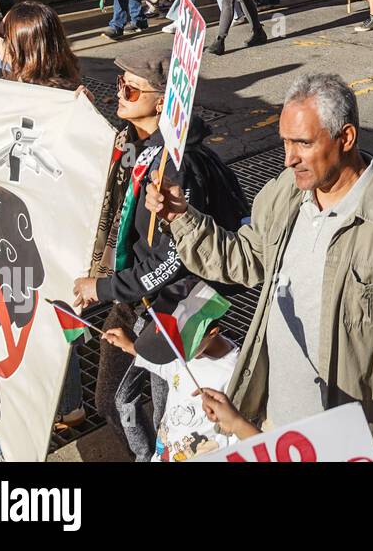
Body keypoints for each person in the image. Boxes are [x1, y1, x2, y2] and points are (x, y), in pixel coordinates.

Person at [143, 73, 373, 461]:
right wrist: (182, 218)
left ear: (346, 138)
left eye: (303, 143)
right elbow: (244, 259)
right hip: (278, 429)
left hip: (351, 440)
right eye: (285, 142)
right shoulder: (284, 194)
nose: (289, 157)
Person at [72, 41, 250, 460]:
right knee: (115, 402)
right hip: (140, 300)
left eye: (131, 90)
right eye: (120, 84)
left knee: (167, 409)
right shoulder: (141, 143)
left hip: (172, 307)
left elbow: (175, 260)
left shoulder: (178, 164)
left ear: (163, 103)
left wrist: (104, 289)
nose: (120, 93)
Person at [0, 0, 87, 456]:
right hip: (29, 239)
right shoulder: (25, 88)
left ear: (22, 49)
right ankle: (69, 408)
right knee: (49, 329)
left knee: (15, 351)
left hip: (29, 242)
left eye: (3, 37)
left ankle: (6, 446)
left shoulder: (63, 106)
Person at [102, 323, 240, 462]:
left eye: (184, 341)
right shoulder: (188, 351)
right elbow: (166, 367)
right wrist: (131, 347)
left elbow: (237, 433)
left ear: (212, 332)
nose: (176, 347)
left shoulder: (234, 373)